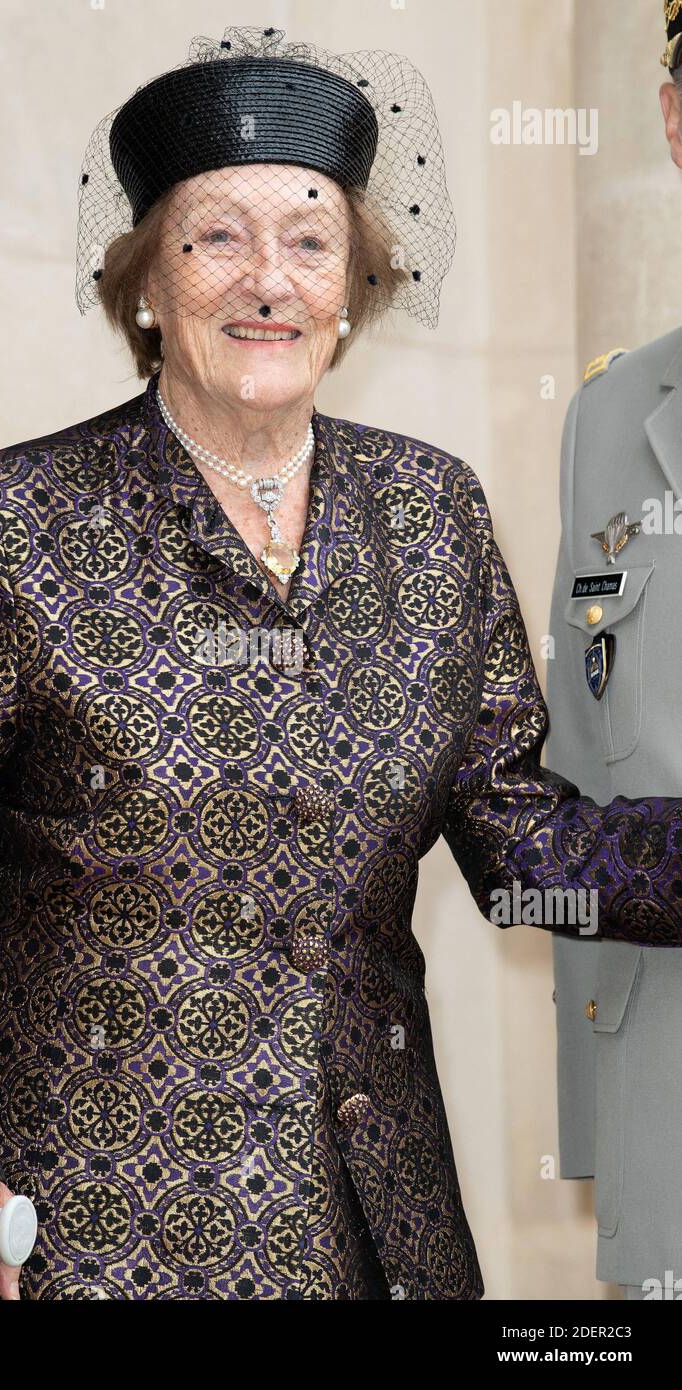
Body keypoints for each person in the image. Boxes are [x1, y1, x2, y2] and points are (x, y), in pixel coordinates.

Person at [0, 23, 682, 1303]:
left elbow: (522, 848)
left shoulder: (430, 517)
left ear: (352, 287)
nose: (266, 280)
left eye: (309, 239)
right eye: (216, 237)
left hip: (374, 1232)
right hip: (81, 1242)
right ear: (146, 284)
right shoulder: (19, 524)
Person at [544, 1, 682, 1303]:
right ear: (671, 119)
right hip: (664, 1106)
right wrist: (591, 1127)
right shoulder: (608, 414)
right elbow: (575, 770)